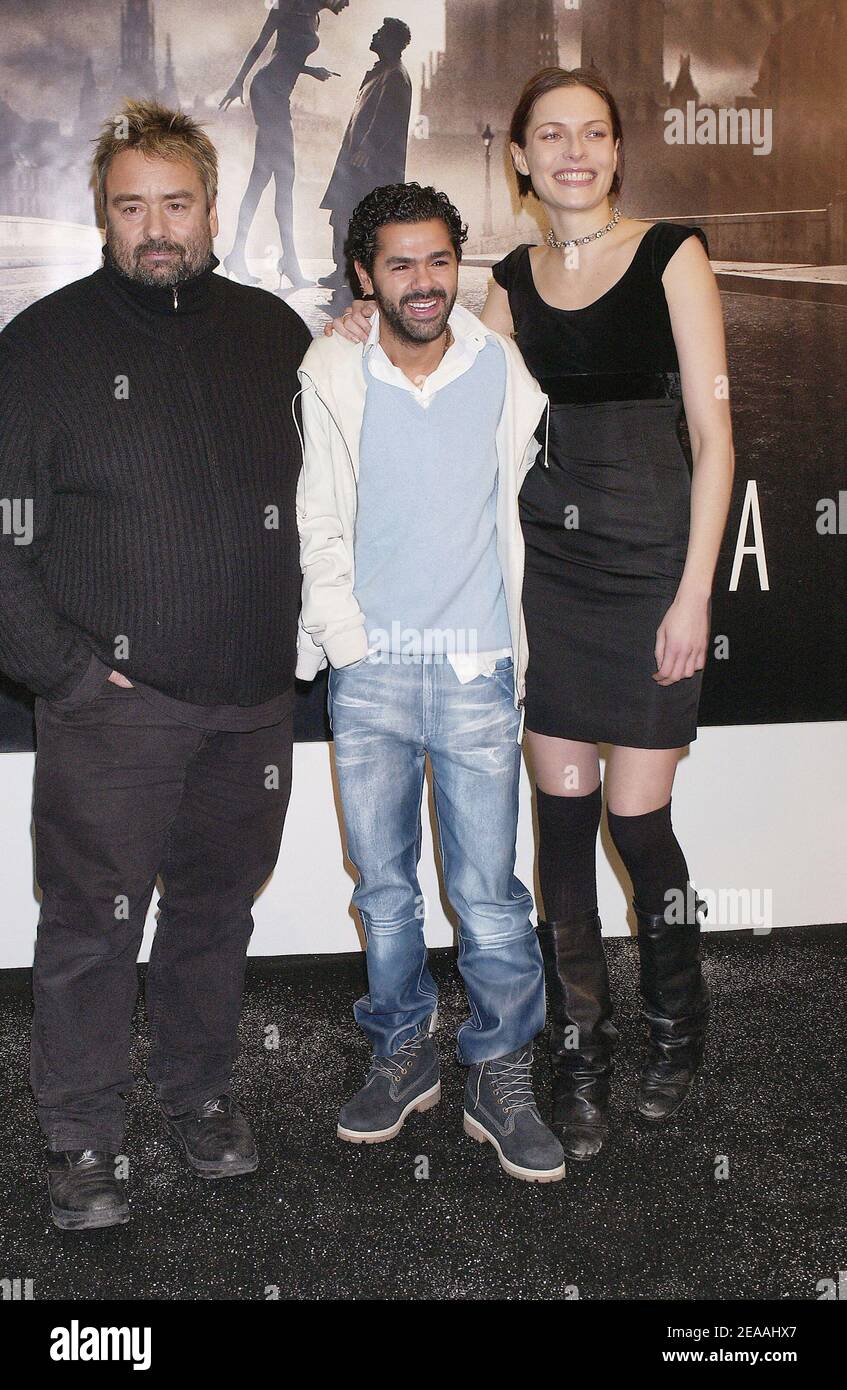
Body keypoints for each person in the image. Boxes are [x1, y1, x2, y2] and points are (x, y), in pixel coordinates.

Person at [326, 68, 735, 1163]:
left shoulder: (672, 255)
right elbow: (442, 355)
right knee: (558, 825)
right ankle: (578, 1050)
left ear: (613, 149)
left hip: (651, 568)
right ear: (518, 155)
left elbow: (716, 436)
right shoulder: (504, 280)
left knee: (638, 824)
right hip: (549, 577)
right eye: (549, 134)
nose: (572, 151)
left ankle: (674, 1024)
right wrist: (363, 312)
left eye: (592, 133)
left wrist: (694, 590)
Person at [0, 100, 312, 1229]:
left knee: (213, 915)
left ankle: (199, 1097)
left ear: (212, 207)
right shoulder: (40, 348)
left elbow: (334, 497)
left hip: (254, 704)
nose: (155, 226)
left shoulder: (277, 333)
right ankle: (82, 1141)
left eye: (175, 202)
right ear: (102, 214)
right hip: (114, 711)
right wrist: (70, 678)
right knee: (90, 929)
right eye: (130, 206)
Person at [295, 182, 565, 1183]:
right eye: (398, 264)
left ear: (463, 265)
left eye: (438, 261)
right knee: (387, 893)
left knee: (488, 896)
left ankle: (499, 1070)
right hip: (369, 673)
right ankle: (402, 1050)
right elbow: (317, 518)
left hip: (475, 668)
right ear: (364, 274)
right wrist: (347, 643)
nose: (421, 283)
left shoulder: (500, 367)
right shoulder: (331, 366)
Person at [220, 0, 350, 290]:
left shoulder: (315, 17)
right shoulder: (287, 7)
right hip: (267, 91)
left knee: (263, 180)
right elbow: (261, 46)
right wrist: (237, 82)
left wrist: (310, 70)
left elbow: (287, 55)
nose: (348, 3)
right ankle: (284, 262)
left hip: (278, 94)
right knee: (281, 180)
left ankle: (240, 256)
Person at [317, 17, 413, 295]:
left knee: (356, 217)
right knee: (343, 216)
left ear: (392, 40)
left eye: (381, 32)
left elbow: (387, 120)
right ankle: (342, 270)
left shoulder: (395, 75)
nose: (375, 34)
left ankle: (350, 273)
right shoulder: (382, 73)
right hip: (357, 163)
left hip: (369, 168)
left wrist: (366, 150)